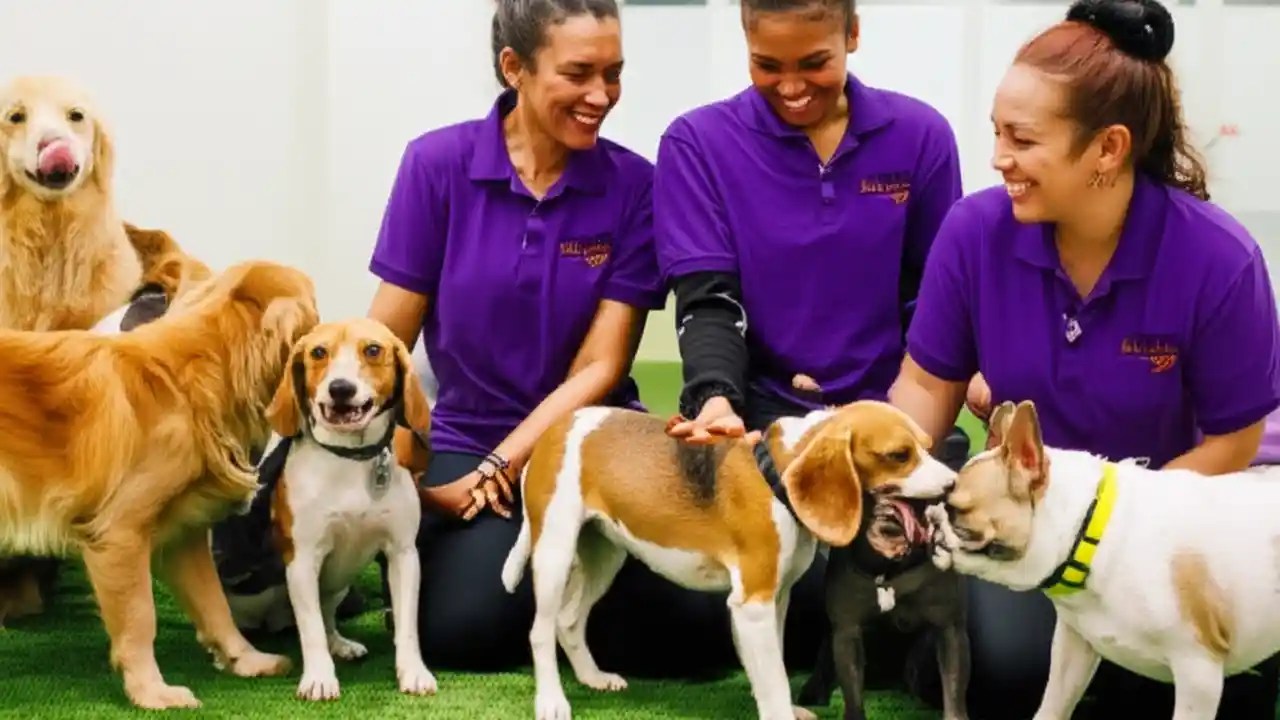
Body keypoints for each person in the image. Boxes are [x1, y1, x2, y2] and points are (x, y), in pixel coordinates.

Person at [891, 0, 1280, 717]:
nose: (999, 158)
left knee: (1194, 672)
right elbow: (924, 385)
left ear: (1108, 149)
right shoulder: (974, 232)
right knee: (1000, 676)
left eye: (1023, 139)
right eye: (996, 134)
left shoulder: (1219, 259)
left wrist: (1117, 544)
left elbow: (1236, 441)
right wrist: (875, 464)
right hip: (1028, 523)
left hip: (1176, 535)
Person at [364, 0, 714, 674]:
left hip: (594, 441)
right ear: (513, 69)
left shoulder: (637, 186)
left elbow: (600, 364)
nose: (601, 95)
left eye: (613, 73)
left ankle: (561, 598)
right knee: (463, 633)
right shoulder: (436, 165)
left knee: (695, 637)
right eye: (579, 73)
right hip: (465, 440)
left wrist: (509, 464)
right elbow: (387, 349)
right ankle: (525, 591)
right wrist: (408, 476)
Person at [656, 0, 965, 670]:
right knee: (687, 624)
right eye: (768, 65)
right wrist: (714, 399)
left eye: (815, 63)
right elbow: (709, 302)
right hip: (766, 427)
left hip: (892, 421)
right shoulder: (697, 143)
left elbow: (932, 302)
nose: (792, 86)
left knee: (944, 598)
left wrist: (914, 424)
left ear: (852, 35)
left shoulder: (920, 136)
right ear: (745, 44)